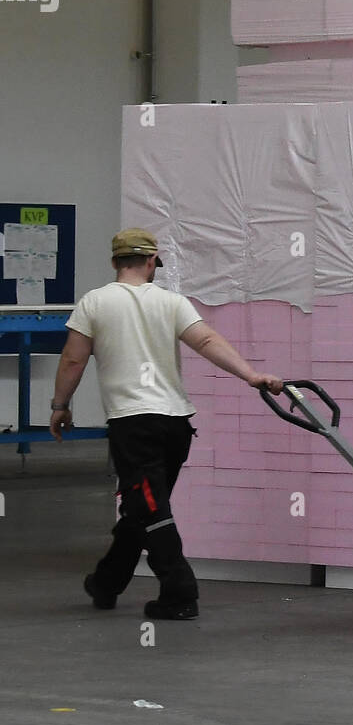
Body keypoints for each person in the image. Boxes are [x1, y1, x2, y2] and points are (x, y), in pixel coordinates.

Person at [50, 228, 283, 620]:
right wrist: (251, 375)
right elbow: (207, 341)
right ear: (151, 261)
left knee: (150, 508)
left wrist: (60, 405)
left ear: (114, 263)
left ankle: (180, 592)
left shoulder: (94, 302)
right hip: (175, 424)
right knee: (145, 506)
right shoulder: (172, 302)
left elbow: (73, 359)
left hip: (132, 423)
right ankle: (106, 582)